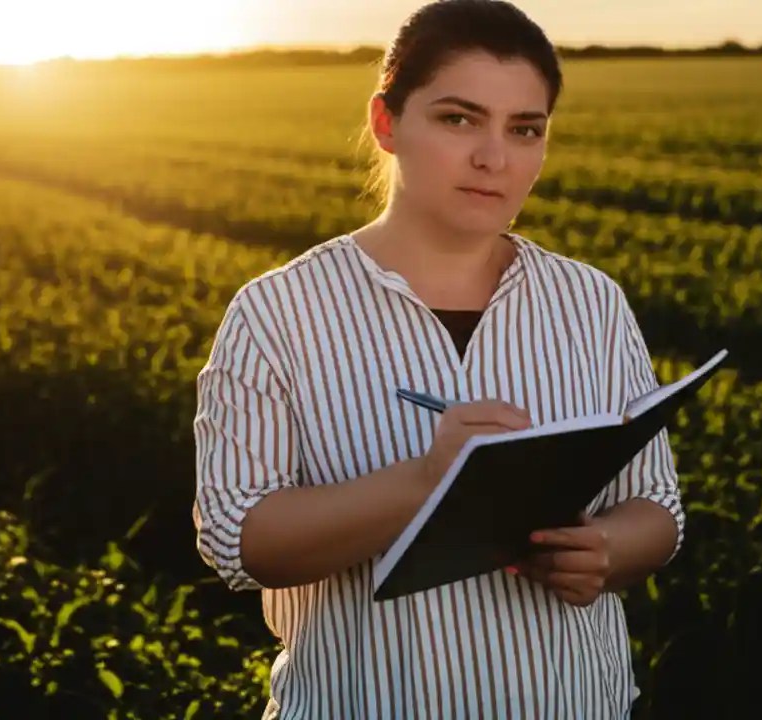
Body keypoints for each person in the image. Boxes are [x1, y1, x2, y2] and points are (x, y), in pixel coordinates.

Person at [192, 1, 684, 717]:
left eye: (525, 129)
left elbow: (658, 508)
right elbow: (241, 541)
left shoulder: (590, 302)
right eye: (459, 119)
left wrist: (604, 550)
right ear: (387, 123)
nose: (495, 158)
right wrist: (429, 480)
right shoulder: (277, 313)